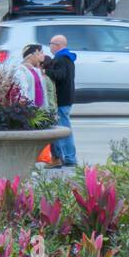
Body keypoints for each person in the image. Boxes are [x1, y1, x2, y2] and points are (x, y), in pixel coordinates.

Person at [45, 34, 77, 167]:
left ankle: (69, 158)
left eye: (51, 44)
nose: (50, 46)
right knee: (62, 129)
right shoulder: (68, 58)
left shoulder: (61, 58)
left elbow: (60, 75)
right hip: (67, 98)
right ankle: (61, 157)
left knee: (63, 130)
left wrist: (45, 71)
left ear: (58, 45)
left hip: (61, 99)